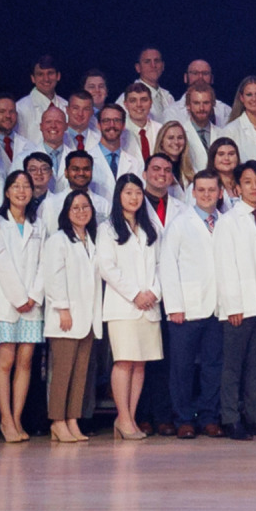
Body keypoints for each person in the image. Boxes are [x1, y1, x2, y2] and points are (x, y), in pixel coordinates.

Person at [157, 170, 227, 439]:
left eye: (212, 190)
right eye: (202, 190)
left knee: (213, 365)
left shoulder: (225, 222)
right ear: (193, 193)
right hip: (186, 308)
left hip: (217, 307)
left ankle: (209, 417)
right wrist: (174, 305)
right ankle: (184, 418)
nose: (207, 194)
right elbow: (168, 265)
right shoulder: (180, 224)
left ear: (220, 192)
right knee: (182, 367)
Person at [95, 174, 163, 441]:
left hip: (150, 305)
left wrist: (154, 293)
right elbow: (107, 268)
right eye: (128, 193)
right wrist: (135, 294)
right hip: (123, 306)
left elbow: (161, 265)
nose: (134, 198)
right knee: (124, 362)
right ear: (118, 196)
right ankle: (122, 417)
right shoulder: (108, 229)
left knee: (141, 364)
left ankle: (130, 418)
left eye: (137, 193)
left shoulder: (150, 227)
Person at [212, 163, 256, 438]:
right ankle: (230, 417)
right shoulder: (229, 222)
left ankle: (254, 415)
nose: (254, 187)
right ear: (237, 188)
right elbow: (225, 266)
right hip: (239, 306)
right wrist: (233, 305)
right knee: (233, 366)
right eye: (247, 182)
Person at [0, 171, 46, 443]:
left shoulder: (39, 225)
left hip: (32, 304)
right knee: (5, 362)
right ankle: (5, 419)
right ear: (7, 192)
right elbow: (1, 263)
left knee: (25, 362)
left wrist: (33, 295)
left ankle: (18, 418)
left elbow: (45, 264)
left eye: (26, 186)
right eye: (16, 186)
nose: (22, 191)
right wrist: (19, 297)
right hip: (7, 302)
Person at [40, 187, 102, 443]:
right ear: (66, 212)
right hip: (66, 318)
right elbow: (53, 278)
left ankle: (73, 419)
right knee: (62, 373)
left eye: (85, 207)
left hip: (87, 318)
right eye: (75, 208)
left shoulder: (92, 239)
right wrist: (62, 308)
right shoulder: (58, 240)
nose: (81, 212)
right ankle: (57, 421)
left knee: (80, 374)